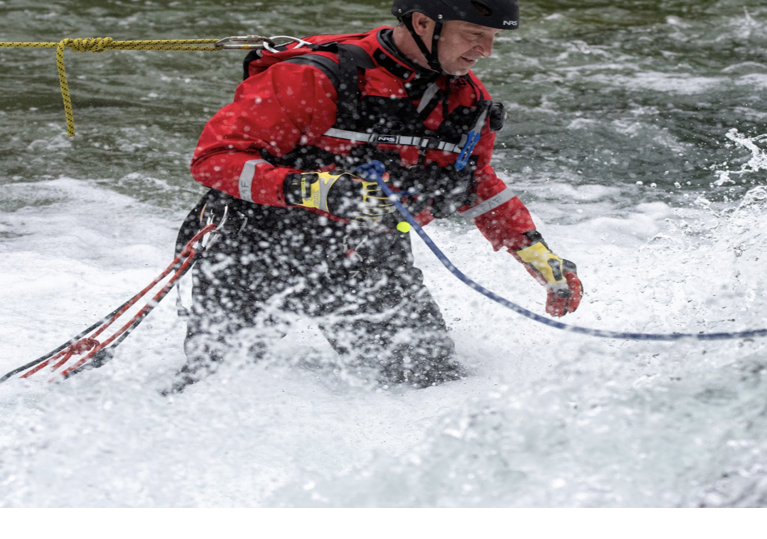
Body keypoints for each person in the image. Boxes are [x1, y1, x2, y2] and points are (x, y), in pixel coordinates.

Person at [171, 0, 581, 390]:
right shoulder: (312, 77)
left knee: (428, 382)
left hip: (366, 253)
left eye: (492, 37)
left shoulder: (465, 98)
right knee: (218, 387)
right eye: (474, 34)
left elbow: (474, 181)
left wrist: (532, 250)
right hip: (258, 246)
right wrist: (311, 188)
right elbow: (214, 160)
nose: (486, 51)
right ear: (423, 24)